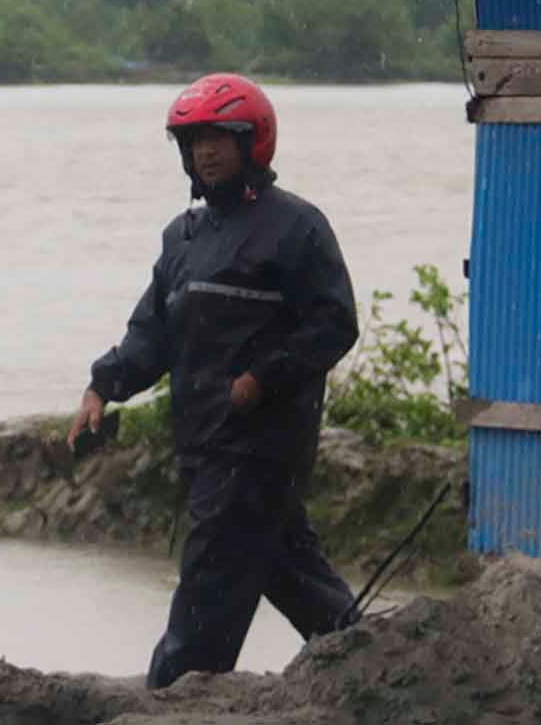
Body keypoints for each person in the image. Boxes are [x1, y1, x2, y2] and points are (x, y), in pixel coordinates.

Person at [74, 73, 360, 689]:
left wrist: (262, 378)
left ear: (252, 143)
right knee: (289, 569)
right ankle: (373, 660)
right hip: (203, 444)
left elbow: (334, 325)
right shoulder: (183, 237)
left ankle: (171, 696)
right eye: (194, 142)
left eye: (218, 140)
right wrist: (103, 385)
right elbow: (153, 332)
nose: (205, 153)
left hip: (259, 448)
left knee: (208, 592)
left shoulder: (297, 228)